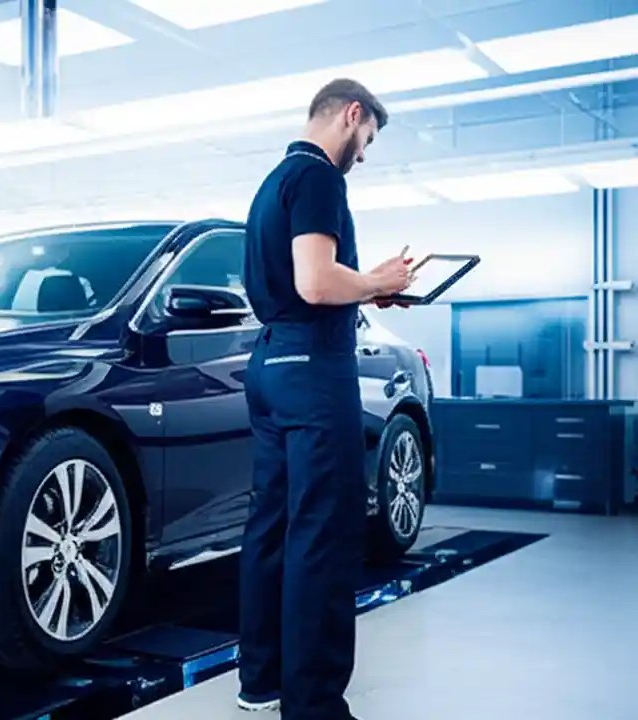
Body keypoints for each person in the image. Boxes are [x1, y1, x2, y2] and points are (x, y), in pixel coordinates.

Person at [236, 79, 413, 719]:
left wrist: (368, 288)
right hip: (313, 365)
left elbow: (302, 278)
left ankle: (260, 680)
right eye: (366, 140)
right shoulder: (318, 178)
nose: (362, 156)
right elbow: (314, 281)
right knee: (324, 531)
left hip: (271, 364)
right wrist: (377, 281)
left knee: (273, 526)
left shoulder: (272, 182)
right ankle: (313, 705)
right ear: (352, 114)